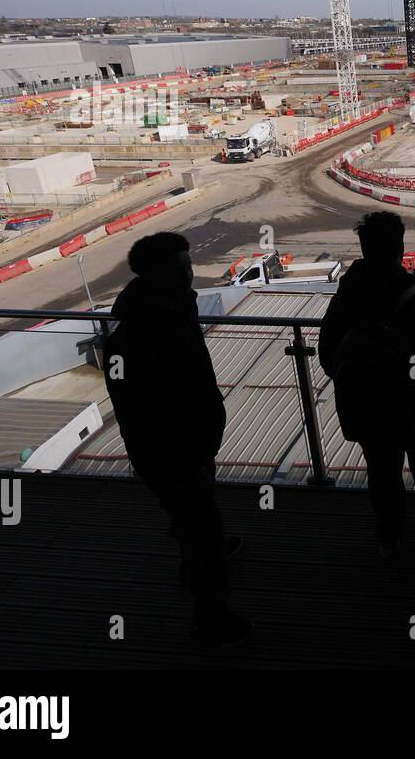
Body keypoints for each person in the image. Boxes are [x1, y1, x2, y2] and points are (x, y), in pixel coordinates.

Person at [104, 231, 251, 648]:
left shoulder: (168, 309)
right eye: (179, 268)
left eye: (189, 265)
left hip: (190, 442)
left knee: (196, 515)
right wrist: (182, 450)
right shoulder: (139, 337)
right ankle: (211, 617)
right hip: (172, 452)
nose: (189, 274)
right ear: (155, 276)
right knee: (199, 522)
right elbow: (146, 408)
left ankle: (200, 555)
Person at [318, 210, 415, 561]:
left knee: (382, 473)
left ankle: (389, 538)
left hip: (370, 407)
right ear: (400, 247)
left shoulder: (346, 298)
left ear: (363, 248)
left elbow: (328, 354)